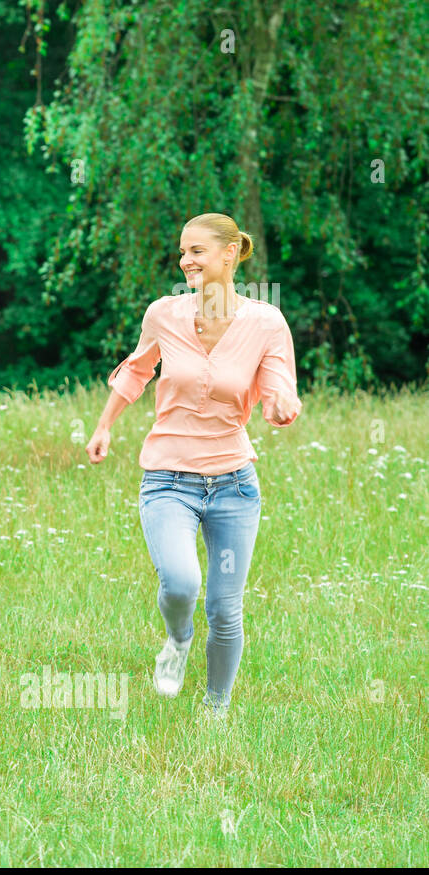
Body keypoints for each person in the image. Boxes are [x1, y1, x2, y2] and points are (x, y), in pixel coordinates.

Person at [85, 213, 302, 717]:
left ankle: (215, 709)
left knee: (225, 609)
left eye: (197, 251)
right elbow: (136, 371)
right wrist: (103, 426)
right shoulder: (164, 314)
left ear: (230, 254)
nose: (186, 260)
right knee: (182, 583)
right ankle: (178, 639)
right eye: (182, 252)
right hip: (168, 479)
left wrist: (280, 407)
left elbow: (279, 388)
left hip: (234, 486)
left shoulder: (266, 323)